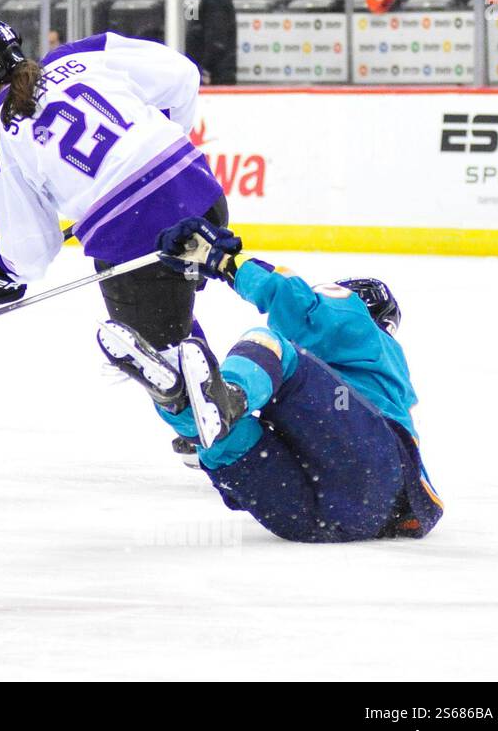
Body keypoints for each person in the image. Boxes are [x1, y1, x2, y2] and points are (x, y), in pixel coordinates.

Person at [98, 217, 443, 542]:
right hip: (337, 516)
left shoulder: (359, 324)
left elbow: (298, 303)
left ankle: (208, 402)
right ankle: (183, 402)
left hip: (366, 465)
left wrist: (224, 260)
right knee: (228, 437)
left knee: (270, 347)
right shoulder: (382, 373)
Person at [0, 15, 226, 359]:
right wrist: (158, 148)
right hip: (199, 192)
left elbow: (33, 249)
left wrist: (2, 271)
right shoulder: (77, 55)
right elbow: (183, 75)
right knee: (183, 344)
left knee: (169, 373)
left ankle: (250, 381)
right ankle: (269, 378)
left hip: (135, 232)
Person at [184, 0, 237, 86]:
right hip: (203, 73)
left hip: (215, 77)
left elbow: (216, 41)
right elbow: (193, 31)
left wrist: (204, 69)